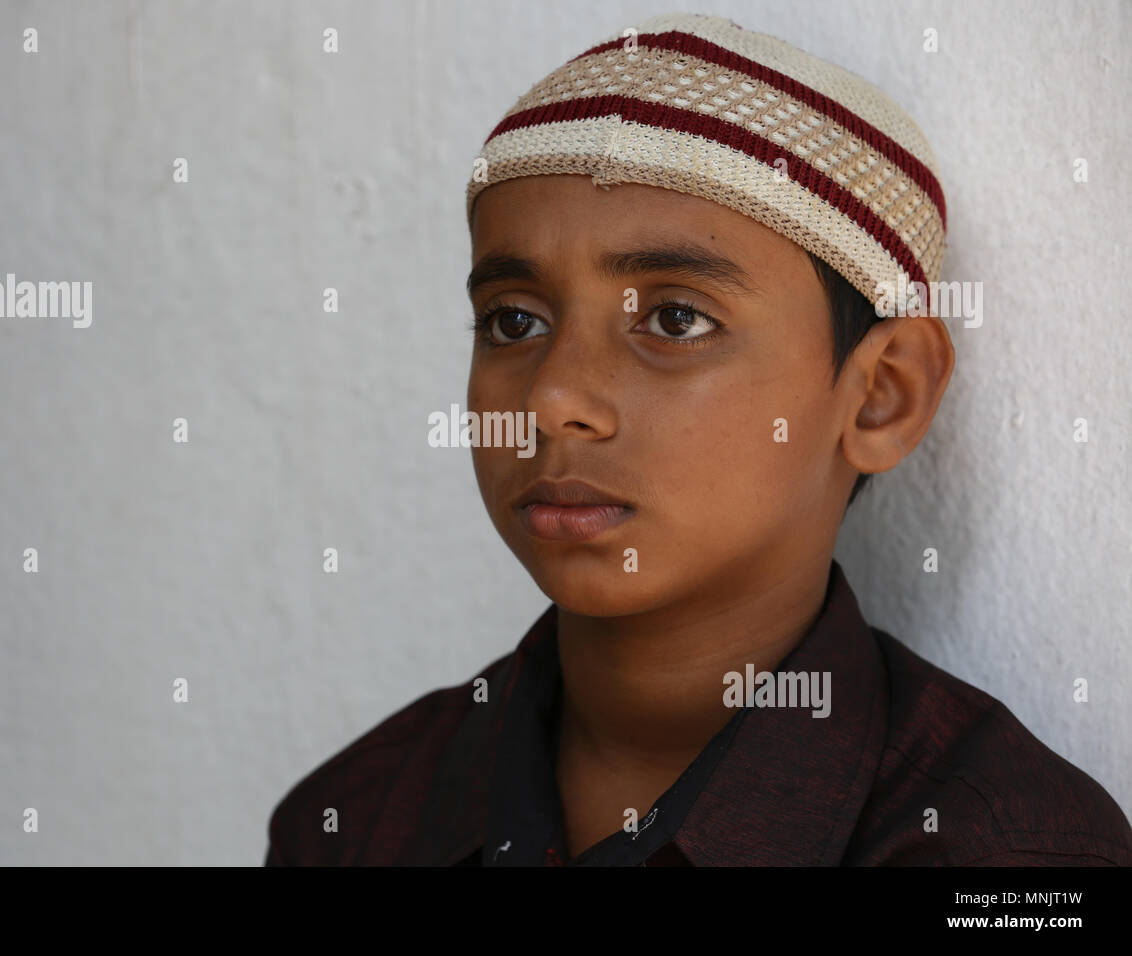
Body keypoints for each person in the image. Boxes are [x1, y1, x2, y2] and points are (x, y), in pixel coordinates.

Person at [265, 12, 1132, 866]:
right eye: (513, 320)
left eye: (676, 319)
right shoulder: (356, 818)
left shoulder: (1010, 856)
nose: (554, 397)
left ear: (881, 397)